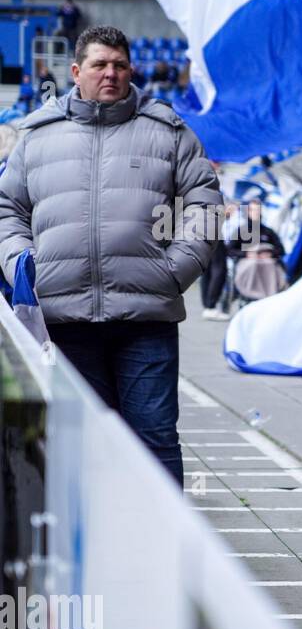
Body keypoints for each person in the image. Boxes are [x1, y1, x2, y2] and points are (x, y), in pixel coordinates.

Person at [0, 25, 222, 485]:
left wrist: (172, 271)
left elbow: (205, 205)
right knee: (79, 440)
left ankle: (161, 552)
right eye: (100, 65)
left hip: (146, 320)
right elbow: (7, 209)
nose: (111, 74)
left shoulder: (169, 131)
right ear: (76, 72)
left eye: (120, 65)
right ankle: (95, 551)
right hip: (64, 319)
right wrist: (23, 264)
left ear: (131, 71)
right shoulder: (38, 136)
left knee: (155, 437)